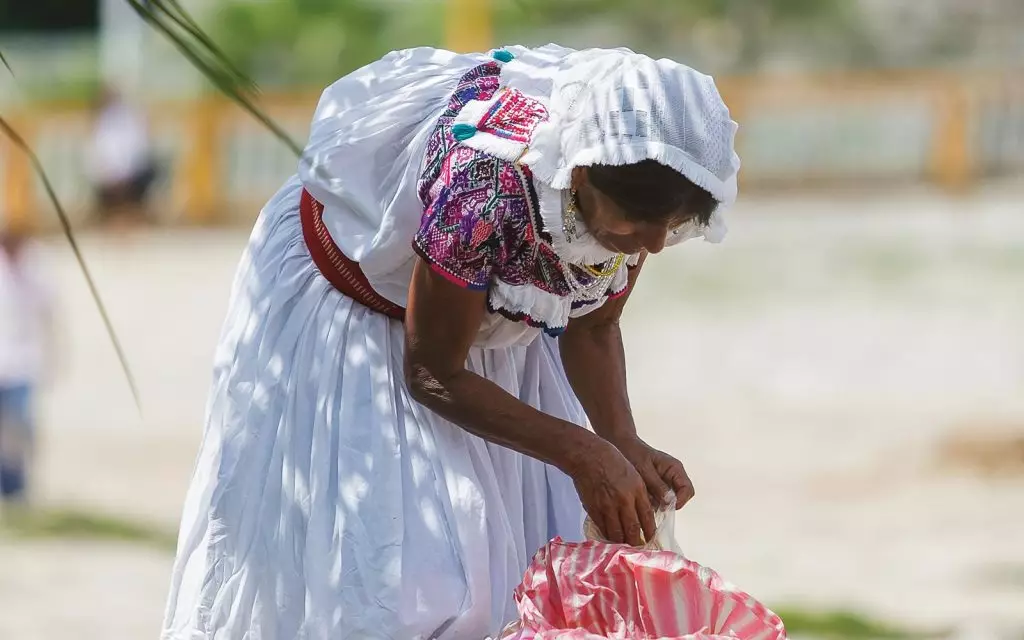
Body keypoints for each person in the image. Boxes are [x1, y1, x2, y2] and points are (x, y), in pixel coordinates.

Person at [163, 44, 739, 640]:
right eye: (633, 221)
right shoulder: (485, 182)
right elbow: (432, 370)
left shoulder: (640, 186)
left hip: (479, 328)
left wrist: (620, 438)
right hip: (372, 319)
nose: (647, 244)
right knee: (410, 585)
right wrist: (581, 452)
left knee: (517, 571)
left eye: (668, 227)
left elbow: (593, 323)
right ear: (580, 173)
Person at [0, 223, 54, 505]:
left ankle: (17, 488)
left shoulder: (37, 264)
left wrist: (53, 355)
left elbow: (49, 313)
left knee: (20, 425)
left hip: (23, 361)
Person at [86, 85, 159, 228]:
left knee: (150, 169)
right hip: (109, 176)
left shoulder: (127, 119)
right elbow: (97, 156)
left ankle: (130, 213)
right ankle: (118, 215)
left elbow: (138, 149)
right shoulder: (101, 124)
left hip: (129, 174)